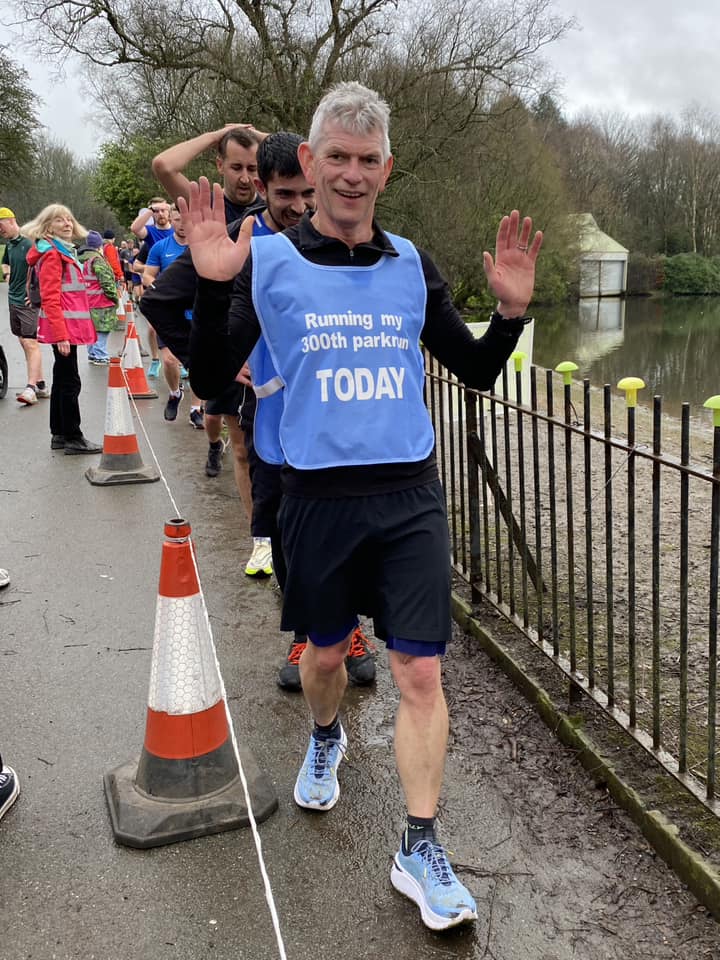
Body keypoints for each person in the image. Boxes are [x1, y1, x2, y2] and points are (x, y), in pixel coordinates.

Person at [181, 82, 542, 931]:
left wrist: (512, 315)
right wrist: (206, 287)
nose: (350, 173)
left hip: (409, 495)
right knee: (324, 662)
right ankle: (324, 734)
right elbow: (207, 385)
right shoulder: (264, 260)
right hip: (316, 498)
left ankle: (420, 844)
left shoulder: (411, 262)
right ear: (309, 163)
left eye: (366, 159)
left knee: (421, 671)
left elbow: (477, 368)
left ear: (388, 169)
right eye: (335, 156)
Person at [143, 131, 376, 690]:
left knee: (349, 525)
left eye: (306, 196)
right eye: (284, 196)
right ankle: (304, 633)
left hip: (338, 410)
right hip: (272, 413)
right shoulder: (237, 239)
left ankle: (351, 628)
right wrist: (221, 362)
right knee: (287, 528)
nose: (298, 207)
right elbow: (159, 303)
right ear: (261, 188)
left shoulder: (333, 237)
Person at [24, 204, 102, 455]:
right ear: (48, 227)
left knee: (61, 378)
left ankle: (59, 433)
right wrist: (60, 335)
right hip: (65, 328)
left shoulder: (61, 251)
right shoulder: (53, 255)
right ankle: (73, 436)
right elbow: (51, 297)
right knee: (70, 381)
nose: (67, 223)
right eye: (59, 220)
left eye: (69, 219)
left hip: (69, 326)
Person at [143, 205, 204, 427]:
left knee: (199, 363)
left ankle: (196, 409)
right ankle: (174, 392)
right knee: (169, 360)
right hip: (170, 314)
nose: (182, 224)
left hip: (198, 314)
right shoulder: (161, 247)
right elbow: (147, 276)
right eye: (177, 219)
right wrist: (161, 287)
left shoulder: (203, 246)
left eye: (186, 220)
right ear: (171, 219)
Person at [152, 125, 267, 222]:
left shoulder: (273, 206)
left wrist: (259, 136)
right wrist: (213, 137)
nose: (245, 179)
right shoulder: (205, 206)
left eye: (252, 169)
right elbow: (163, 166)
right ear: (220, 165)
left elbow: (285, 148)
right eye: (236, 168)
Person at [0, 206, 50, 406]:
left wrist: (40, 295)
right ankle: (41, 384)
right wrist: (7, 274)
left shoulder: (30, 242)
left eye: (1, 227)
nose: (0, 232)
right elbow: (5, 263)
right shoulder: (10, 244)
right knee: (24, 342)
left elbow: (47, 268)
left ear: (11, 220)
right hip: (13, 301)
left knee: (31, 343)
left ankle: (30, 389)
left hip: (28, 302)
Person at [78, 231, 119, 364]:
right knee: (102, 329)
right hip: (101, 301)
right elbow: (106, 282)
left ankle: (92, 353)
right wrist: (114, 297)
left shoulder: (82, 260)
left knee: (92, 328)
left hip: (87, 301)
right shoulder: (98, 260)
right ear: (98, 246)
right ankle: (100, 355)